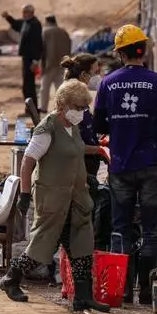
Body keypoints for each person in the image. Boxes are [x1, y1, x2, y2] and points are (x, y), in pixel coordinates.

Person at [93, 25, 157, 306]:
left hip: (120, 166)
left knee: (120, 227)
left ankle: (120, 291)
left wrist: (120, 127)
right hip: (151, 164)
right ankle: (146, 291)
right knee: (151, 229)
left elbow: (98, 125)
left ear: (121, 53)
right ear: (143, 50)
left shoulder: (107, 83)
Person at [0, 80, 109, 313]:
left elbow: (75, 150)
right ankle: (11, 278)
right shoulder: (47, 128)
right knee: (42, 246)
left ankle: (83, 296)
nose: (81, 112)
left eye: (83, 108)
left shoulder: (73, 127)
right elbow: (28, 163)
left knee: (82, 245)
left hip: (76, 198)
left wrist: (98, 149)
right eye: (77, 107)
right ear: (62, 104)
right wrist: (25, 194)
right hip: (52, 198)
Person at [61, 53, 111, 250]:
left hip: (85, 167)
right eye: (95, 72)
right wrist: (98, 149)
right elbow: (73, 143)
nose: (98, 77)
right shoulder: (73, 102)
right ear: (83, 75)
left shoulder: (79, 99)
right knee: (78, 219)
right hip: (78, 169)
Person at [2, 5, 44, 106]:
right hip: (26, 57)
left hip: (31, 58)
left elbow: (37, 43)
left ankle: (32, 108)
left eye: (25, 12)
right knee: (26, 85)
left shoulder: (35, 25)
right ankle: (29, 108)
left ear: (31, 13)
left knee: (29, 85)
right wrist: (8, 17)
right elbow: (16, 25)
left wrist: (35, 60)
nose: (23, 14)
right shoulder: (26, 23)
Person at [40, 15, 71, 111]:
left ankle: (43, 108)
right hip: (62, 62)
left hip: (50, 63)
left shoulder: (45, 32)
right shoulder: (64, 32)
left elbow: (42, 48)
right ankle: (61, 108)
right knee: (59, 87)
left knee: (44, 88)